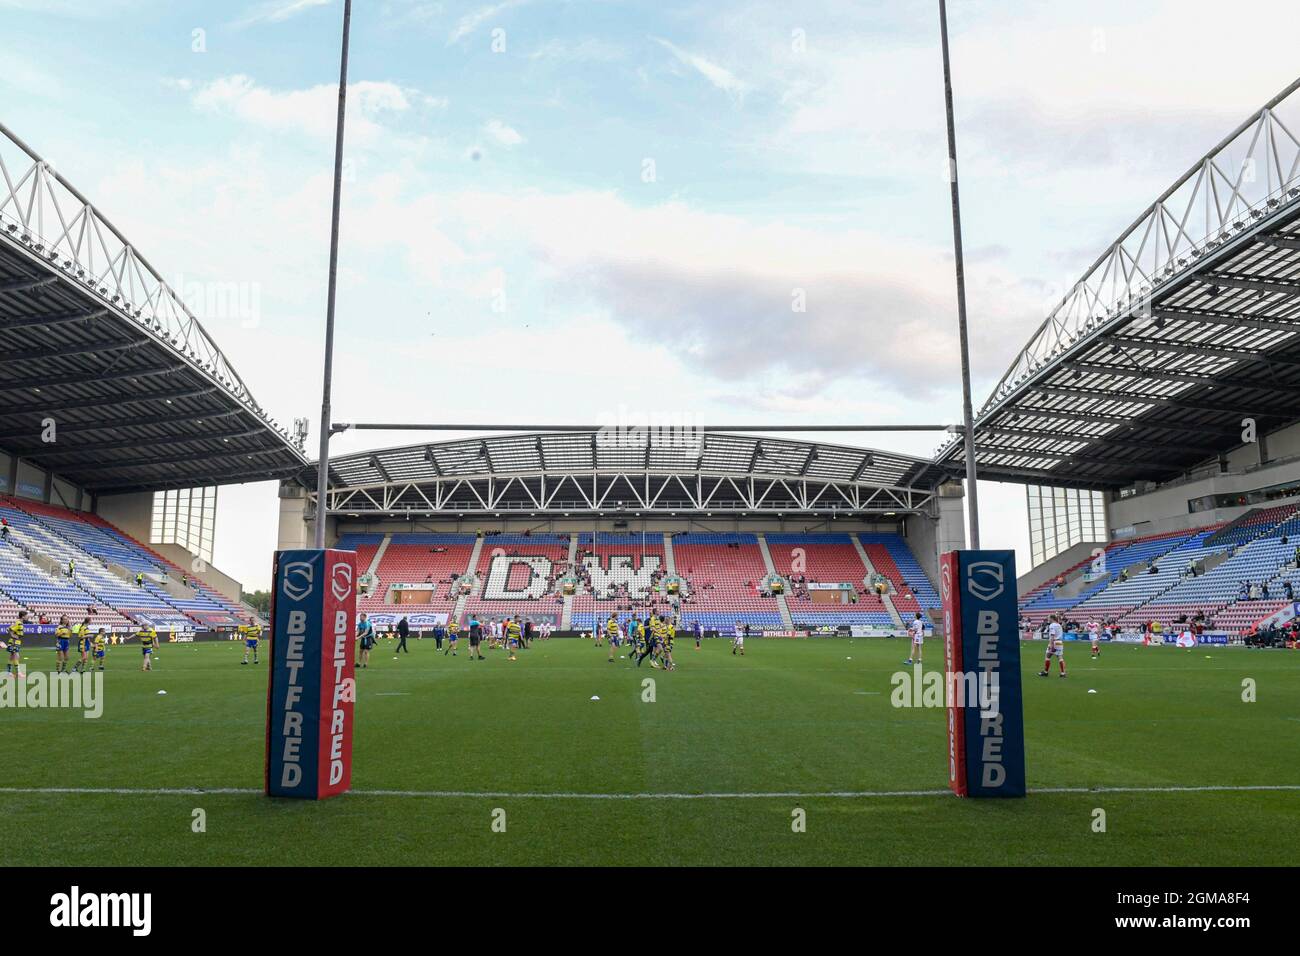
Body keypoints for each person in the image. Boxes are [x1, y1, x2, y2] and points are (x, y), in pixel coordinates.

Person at [5, 610, 26, 675]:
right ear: (23, 616)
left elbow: (9, 628)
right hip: (14, 641)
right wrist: (13, 636)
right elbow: (9, 629)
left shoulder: (18, 622)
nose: (27, 617)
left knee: (12, 657)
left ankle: (8, 672)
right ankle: (18, 673)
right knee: (16, 656)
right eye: (26, 616)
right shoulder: (18, 623)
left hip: (15, 641)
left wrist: (13, 636)